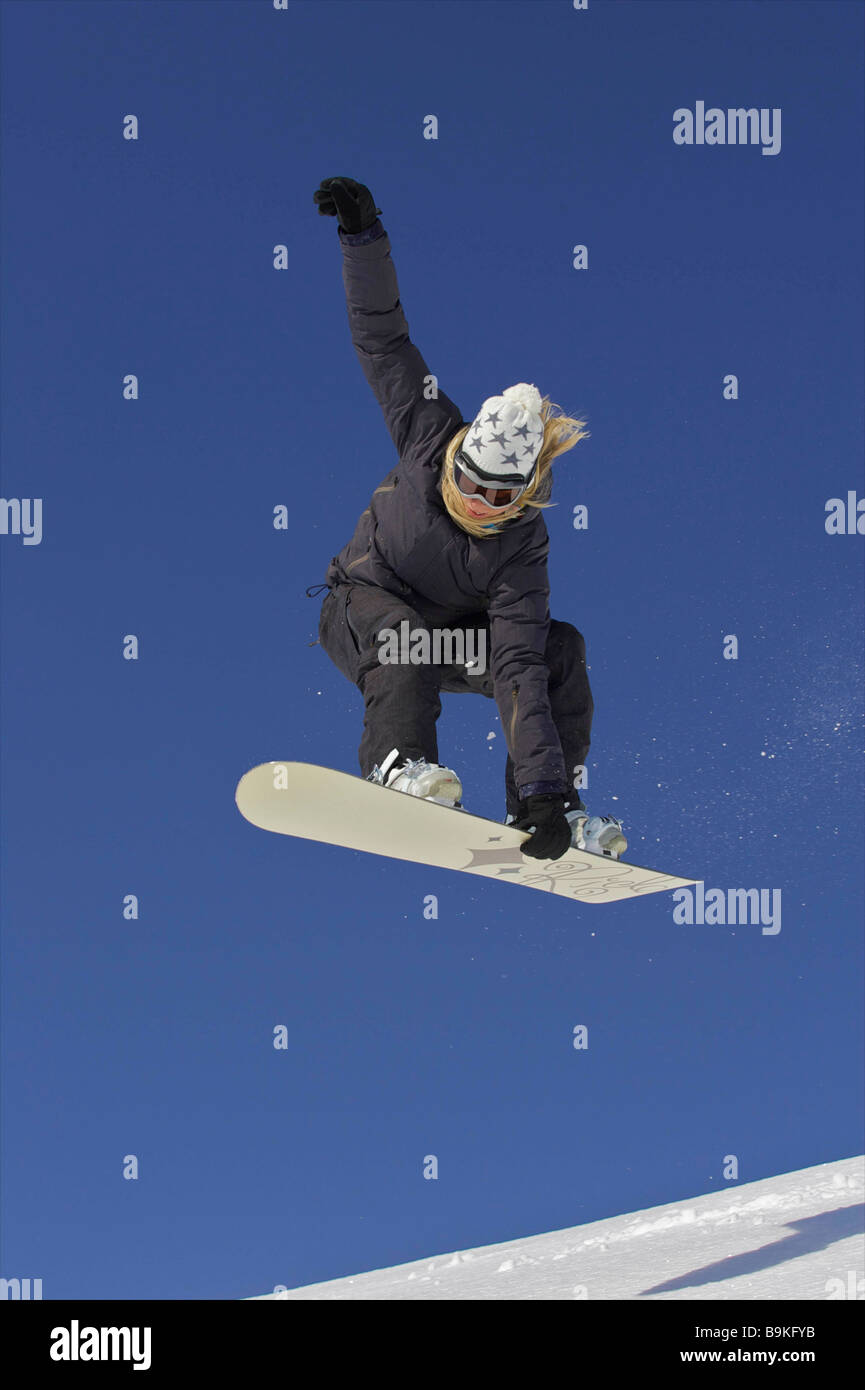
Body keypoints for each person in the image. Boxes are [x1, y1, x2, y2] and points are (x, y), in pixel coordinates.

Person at [307, 177, 626, 863]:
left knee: (555, 649)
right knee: (403, 631)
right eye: (469, 483)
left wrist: (540, 788)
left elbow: (515, 663)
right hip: (362, 615)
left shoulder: (520, 551)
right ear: (453, 460)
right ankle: (399, 765)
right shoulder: (426, 430)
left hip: (449, 644)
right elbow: (383, 341)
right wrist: (363, 238)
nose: (480, 502)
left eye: (500, 496)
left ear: (526, 494)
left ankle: (554, 805)